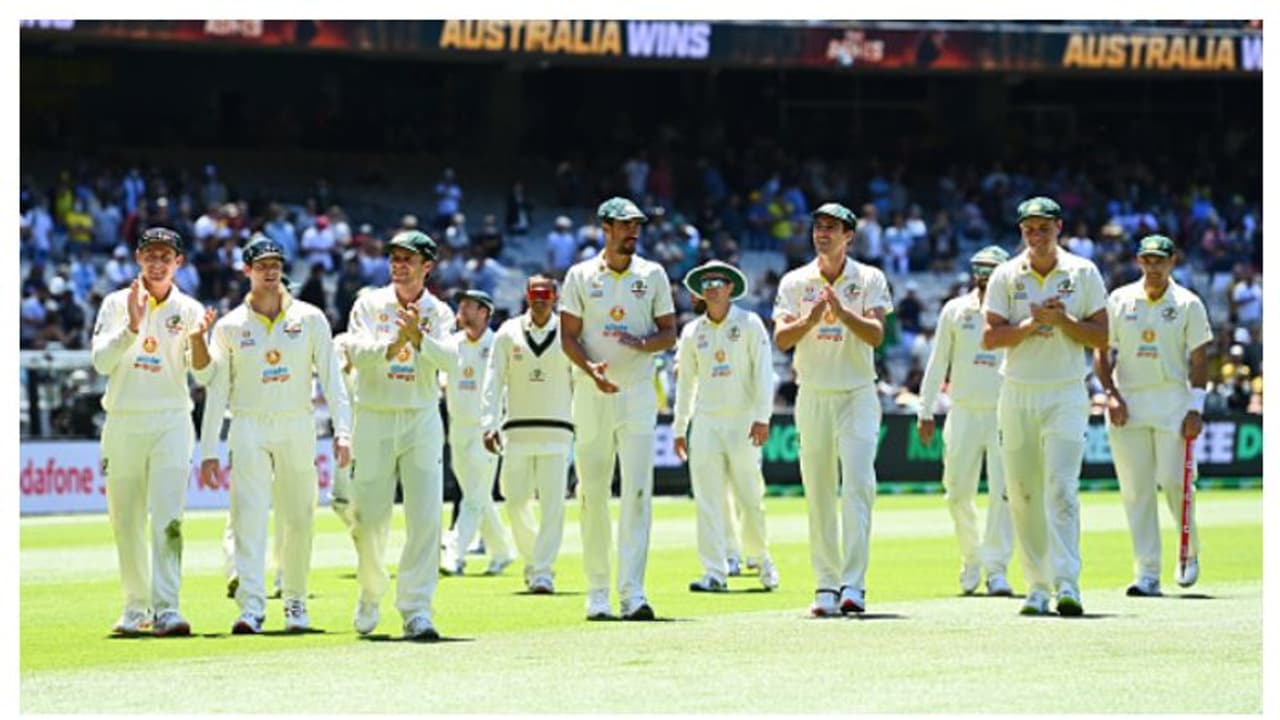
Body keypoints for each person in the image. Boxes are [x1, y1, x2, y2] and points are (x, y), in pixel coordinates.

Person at [196, 236, 352, 634]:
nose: (270, 271)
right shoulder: (230, 326)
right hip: (248, 424)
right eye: (261, 264)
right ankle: (250, 607)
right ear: (246, 270)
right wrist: (209, 449)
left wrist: (343, 431)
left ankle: (296, 601)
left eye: (275, 264)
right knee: (247, 517)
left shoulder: (311, 318)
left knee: (298, 517)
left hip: (297, 423)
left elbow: (332, 380)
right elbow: (216, 389)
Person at [982, 196, 1108, 617]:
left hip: (1067, 392)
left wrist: (1063, 322)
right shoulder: (1005, 274)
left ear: (1059, 227)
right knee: (1021, 492)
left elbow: (1101, 336)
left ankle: (1067, 583)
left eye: (1043, 227)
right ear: (1021, 232)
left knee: (1061, 489)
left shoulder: (1082, 271)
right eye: (1029, 228)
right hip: (1016, 391)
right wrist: (1030, 325)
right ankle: (1036, 587)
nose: (1036, 235)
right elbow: (991, 338)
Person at [90, 227, 217, 636]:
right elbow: (100, 363)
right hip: (124, 418)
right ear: (138, 259)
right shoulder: (115, 303)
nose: (157, 262)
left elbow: (204, 373)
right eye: (150, 255)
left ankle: (168, 609)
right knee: (126, 519)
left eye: (166, 256)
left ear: (178, 262)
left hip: (171, 421)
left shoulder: (192, 309)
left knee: (168, 518)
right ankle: (135, 608)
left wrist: (199, 342)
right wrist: (131, 324)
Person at [772, 203, 893, 616]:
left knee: (858, 486)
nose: (822, 234)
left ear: (849, 237)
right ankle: (825, 585)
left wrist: (842, 313)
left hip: (858, 393)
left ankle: (853, 586)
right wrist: (810, 319)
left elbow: (877, 335)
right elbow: (782, 340)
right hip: (813, 394)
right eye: (818, 227)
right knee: (820, 491)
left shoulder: (869, 278)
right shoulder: (795, 281)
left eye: (832, 228)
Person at [560, 196, 677, 621]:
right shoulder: (579, 275)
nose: (633, 233)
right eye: (625, 226)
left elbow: (669, 332)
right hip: (592, 393)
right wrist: (591, 369)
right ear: (605, 229)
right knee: (592, 493)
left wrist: (642, 345)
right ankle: (596, 593)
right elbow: (567, 336)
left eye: (637, 226)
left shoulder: (653, 274)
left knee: (638, 493)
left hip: (638, 393)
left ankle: (633, 593)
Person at [345, 230, 455, 640]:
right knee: (368, 518)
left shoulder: (440, 312)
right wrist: (396, 344)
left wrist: (420, 339)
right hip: (374, 416)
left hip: (421, 416)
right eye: (394, 257)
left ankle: (416, 610)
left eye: (408, 258)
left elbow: (451, 359)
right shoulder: (369, 304)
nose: (398, 264)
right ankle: (371, 592)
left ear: (427, 266)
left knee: (425, 517)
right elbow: (357, 353)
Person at [1093, 234, 1212, 597]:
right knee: (1136, 491)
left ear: (1172, 261)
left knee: (1175, 482)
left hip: (1172, 401)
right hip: (1127, 401)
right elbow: (1102, 351)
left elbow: (1199, 359)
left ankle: (1188, 551)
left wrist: (1196, 407)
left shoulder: (1188, 303)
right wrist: (1110, 395)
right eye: (1148, 260)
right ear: (1139, 261)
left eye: (1160, 260)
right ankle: (1147, 574)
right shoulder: (1120, 299)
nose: (1154, 267)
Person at [672, 260, 780, 593]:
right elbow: (686, 383)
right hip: (706, 423)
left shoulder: (749, 324)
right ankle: (714, 571)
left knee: (750, 498)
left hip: (743, 421)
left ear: (730, 287)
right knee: (708, 499)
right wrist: (679, 427)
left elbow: (764, 372)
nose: (712, 288)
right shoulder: (693, 331)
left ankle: (761, 559)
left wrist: (763, 416)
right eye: (706, 284)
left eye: (718, 282)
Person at [917, 245, 1016, 596]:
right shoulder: (956, 309)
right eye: (981, 270)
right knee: (957, 492)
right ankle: (972, 557)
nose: (986, 277)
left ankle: (997, 569)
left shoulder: (1016, 311)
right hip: (963, 411)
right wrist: (925, 409)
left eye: (993, 271)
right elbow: (938, 360)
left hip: (1005, 413)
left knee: (1004, 494)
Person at [480, 275, 574, 593]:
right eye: (535, 295)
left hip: (558, 430)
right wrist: (488, 423)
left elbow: (581, 379)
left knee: (552, 505)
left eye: (546, 295)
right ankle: (533, 559)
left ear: (556, 297)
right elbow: (493, 380)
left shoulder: (569, 331)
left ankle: (542, 570)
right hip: (517, 431)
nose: (540, 301)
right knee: (515, 499)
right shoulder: (508, 332)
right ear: (526, 296)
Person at [429, 289, 516, 577]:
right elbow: (441, 382)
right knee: (475, 494)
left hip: (488, 429)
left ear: (485, 312)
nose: (462, 309)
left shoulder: (498, 345)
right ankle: (503, 552)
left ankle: (453, 554)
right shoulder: (452, 344)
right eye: (461, 304)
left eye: (470, 305)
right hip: (459, 428)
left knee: (475, 496)